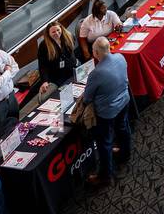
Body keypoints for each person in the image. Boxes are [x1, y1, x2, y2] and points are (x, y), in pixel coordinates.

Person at [76, 37, 132, 187]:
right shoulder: (120, 57)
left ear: (96, 53)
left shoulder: (96, 73)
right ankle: (125, 153)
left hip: (107, 112)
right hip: (125, 101)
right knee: (123, 127)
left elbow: (87, 98)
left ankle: (105, 176)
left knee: (104, 142)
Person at [38, 20, 77, 87]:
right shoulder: (43, 45)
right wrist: (45, 81)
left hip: (71, 70)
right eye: (53, 32)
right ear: (48, 34)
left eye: (58, 30)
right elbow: (42, 65)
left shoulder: (69, 36)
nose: (56, 33)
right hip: (56, 76)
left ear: (61, 28)